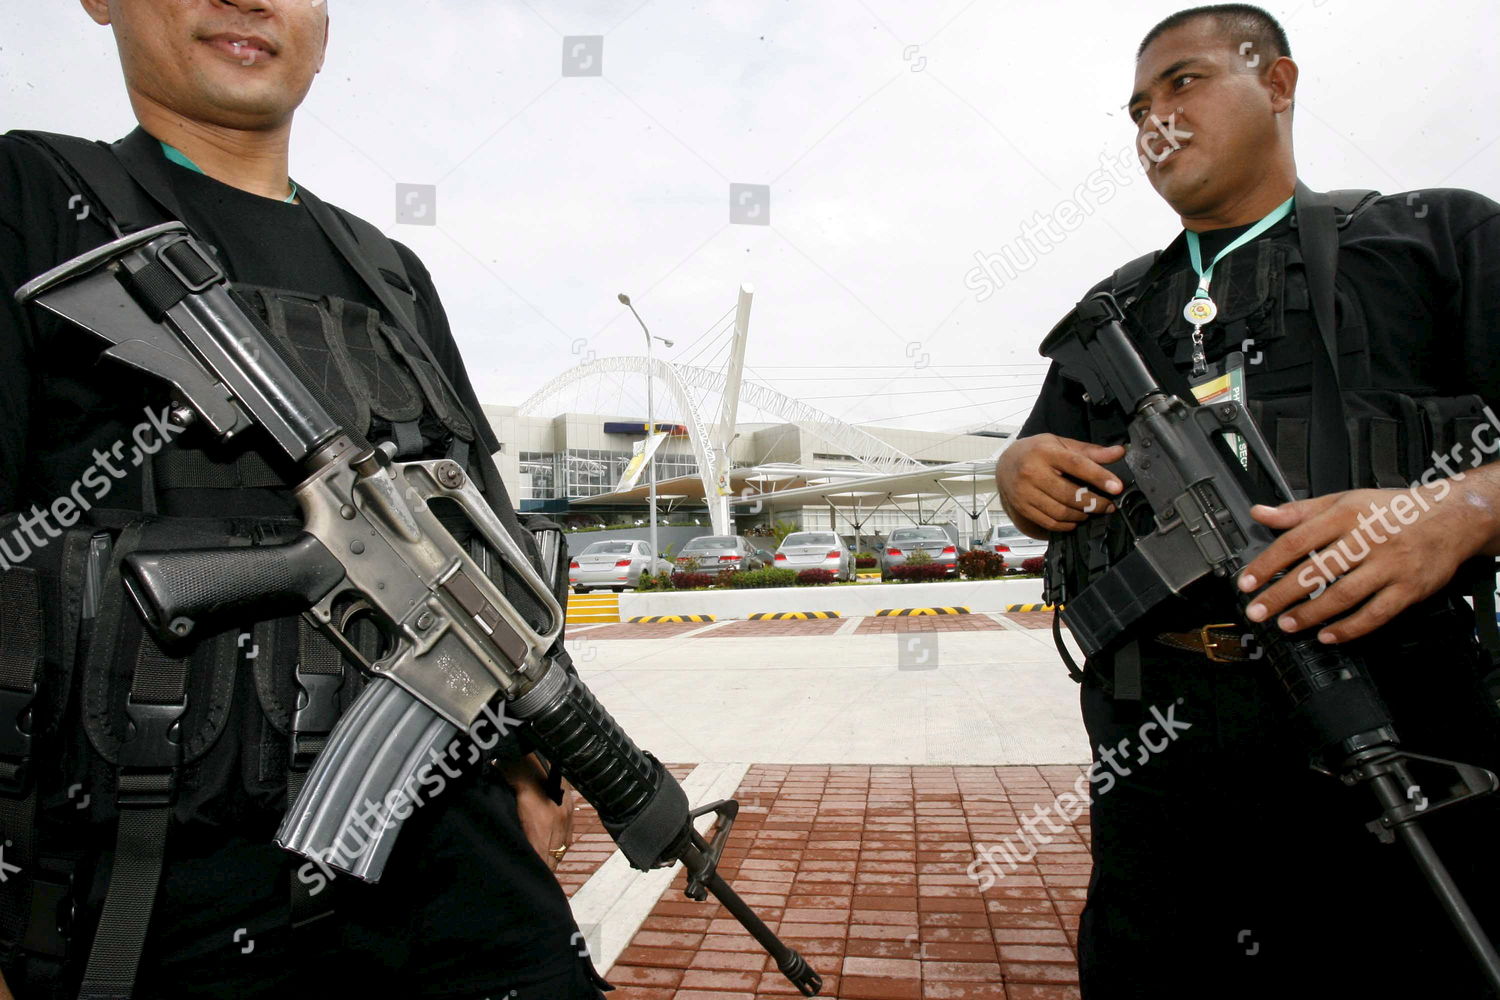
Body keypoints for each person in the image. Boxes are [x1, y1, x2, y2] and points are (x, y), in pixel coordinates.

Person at [0, 1, 606, 998]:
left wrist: (533, 763)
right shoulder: (32, 200)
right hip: (153, 909)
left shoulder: (389, 272)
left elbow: (481, 539)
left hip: (474, 899)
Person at [995, 5, 1500, 997]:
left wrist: (1465, 509)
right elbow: (1037, 458)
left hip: (1396, 714)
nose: (1156, 121)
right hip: (1159, 751)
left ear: (1277, 83)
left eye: (1184, 82)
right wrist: (1016, 477)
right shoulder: (1114, 313)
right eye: (1138, 106)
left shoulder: (1435, 237)